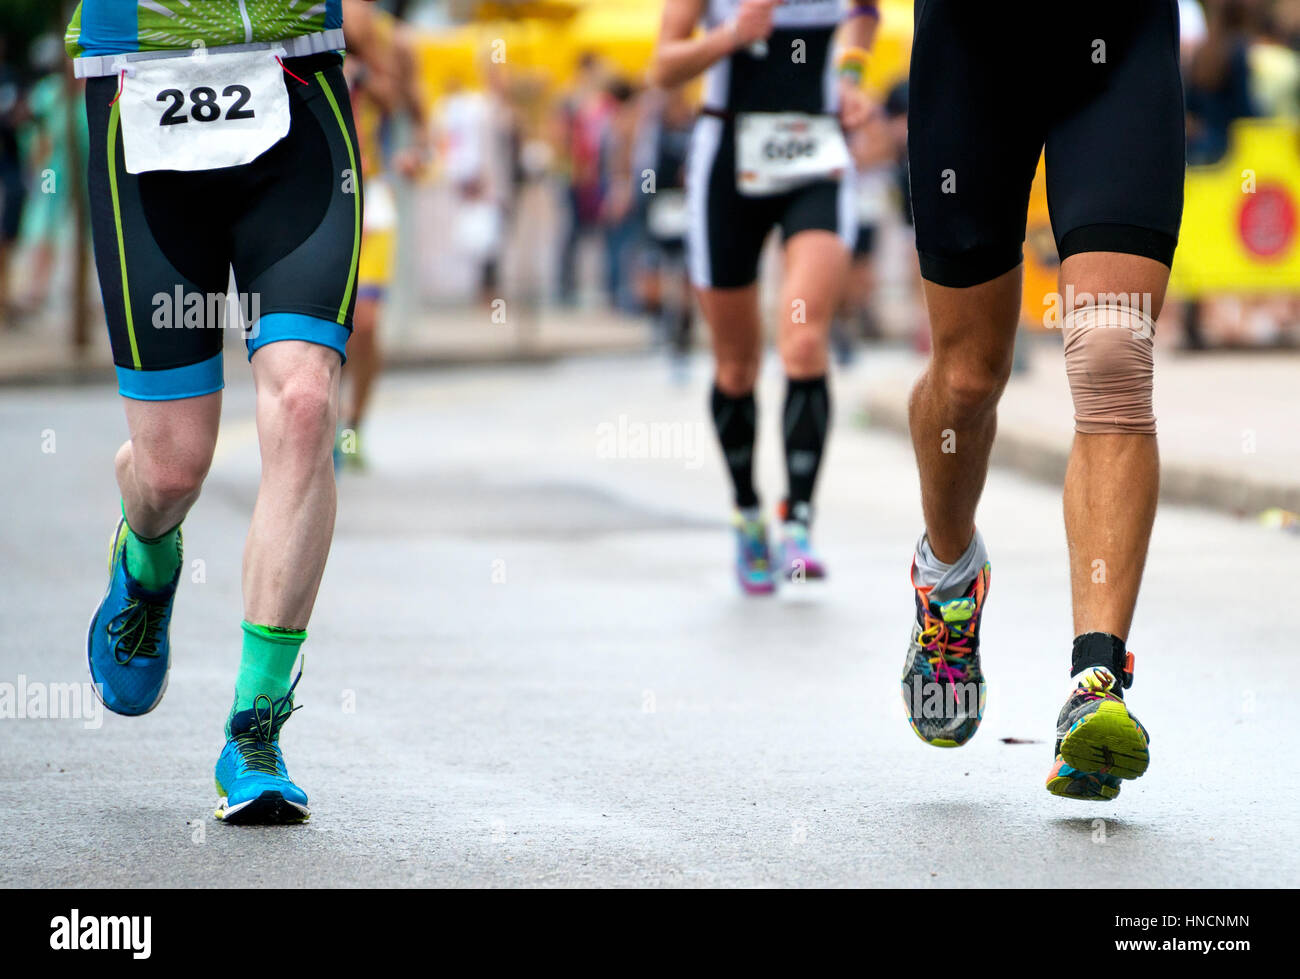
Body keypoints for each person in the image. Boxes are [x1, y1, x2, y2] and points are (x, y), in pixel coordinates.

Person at [71, 0, 369, 823]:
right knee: (170, 467)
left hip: (294, 82)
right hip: (142, 87)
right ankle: (147, 557)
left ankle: (256, 729)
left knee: (305, 400)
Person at [901, 0, 1185, 801]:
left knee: (1111, 352)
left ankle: (1095, 681)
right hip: (972, 46)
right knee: (967, 376)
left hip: (1119, 40)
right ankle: (948, 575)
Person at [651, 0, 878, 594]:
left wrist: (851, 79)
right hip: (727, 155)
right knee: (736, 363)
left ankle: (797, 522)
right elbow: (663, 66)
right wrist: (729, 35)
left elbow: (865, 13)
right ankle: (748, 515)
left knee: (804, 341)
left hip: (813, 153)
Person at [336, 0, 431, 472]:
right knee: (327, 323)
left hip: (373, 198)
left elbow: (419, 119)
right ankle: (322, 423)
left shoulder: (395, 43)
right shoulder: (309, 27)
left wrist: (415, 154)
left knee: (367, 323)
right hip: (321, 197)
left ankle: (354, 425)